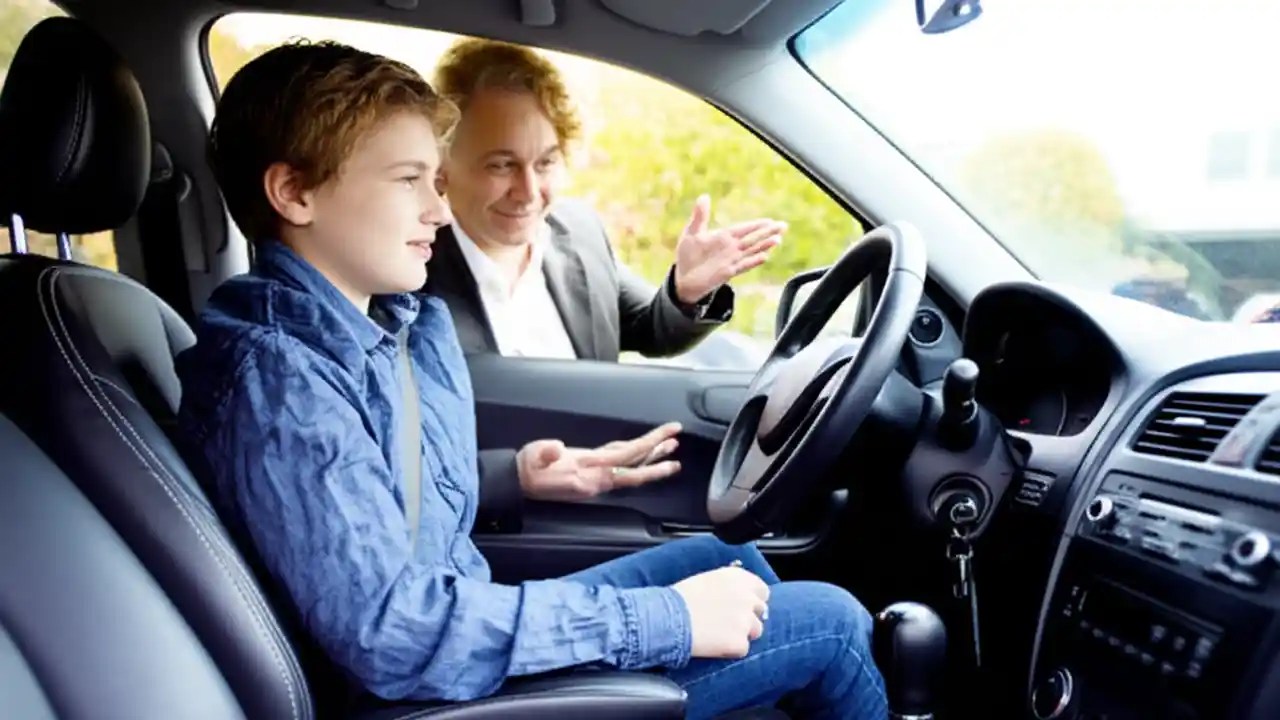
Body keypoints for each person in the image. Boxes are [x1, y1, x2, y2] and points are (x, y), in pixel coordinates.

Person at [176, 40, 886, 720]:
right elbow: (396, 634)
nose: (437, 208)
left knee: (724, 558)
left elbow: (380, 498)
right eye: (408, 180)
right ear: (294, 192)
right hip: (426, 693)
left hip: (452, 630)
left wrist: (517, 475)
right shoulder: (284, 383)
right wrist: (666, 619)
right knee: (829, 623)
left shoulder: (375, 327)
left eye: (433, 178)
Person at [425, 38, 787, 362]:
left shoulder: (577, 231)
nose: (529, 192)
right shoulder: (410, 272)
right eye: (501, 165)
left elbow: (648, 328)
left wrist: (686, 292)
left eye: (546, 163)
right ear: (441, 166)